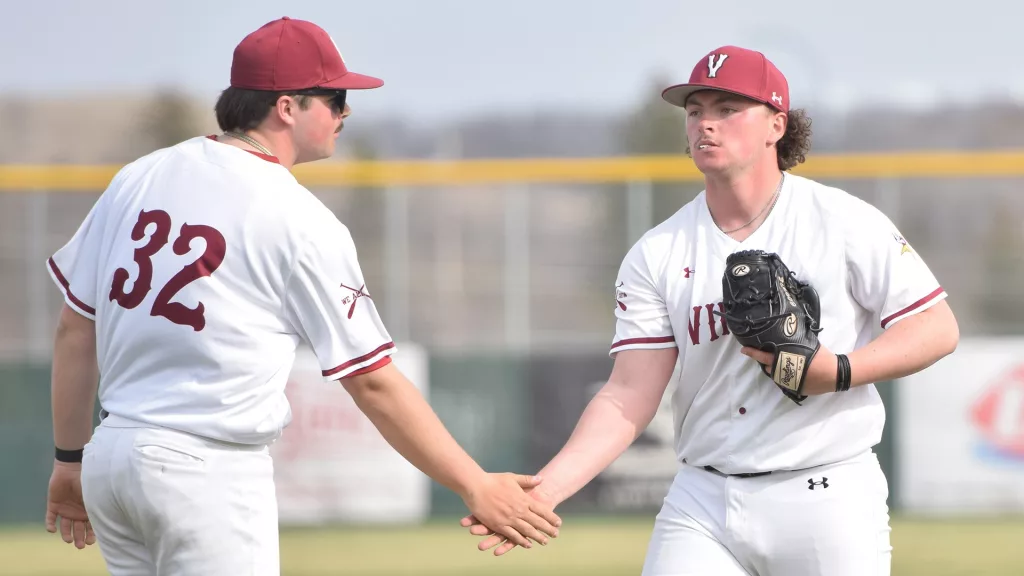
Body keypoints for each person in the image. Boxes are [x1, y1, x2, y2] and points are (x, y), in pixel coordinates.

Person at [43, 16, 560, 575]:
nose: (345, 113)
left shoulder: (140, 177)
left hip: (112, 457)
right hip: (205, 471)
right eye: (334, 98)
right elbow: (372, 381)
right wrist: (474, 483)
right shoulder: (297, 217)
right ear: (287, 107)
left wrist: (69, 460)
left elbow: (76, 328)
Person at [462, 45, 959, 575]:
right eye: (696, 110)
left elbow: (936, 327)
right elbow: (629, 392)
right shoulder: (658, 251)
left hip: (828, 489)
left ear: (776, 125)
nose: (706, 124)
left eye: (727, 109)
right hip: (704, 498)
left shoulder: (841, 220)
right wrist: (545, 492)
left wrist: (839, 370)